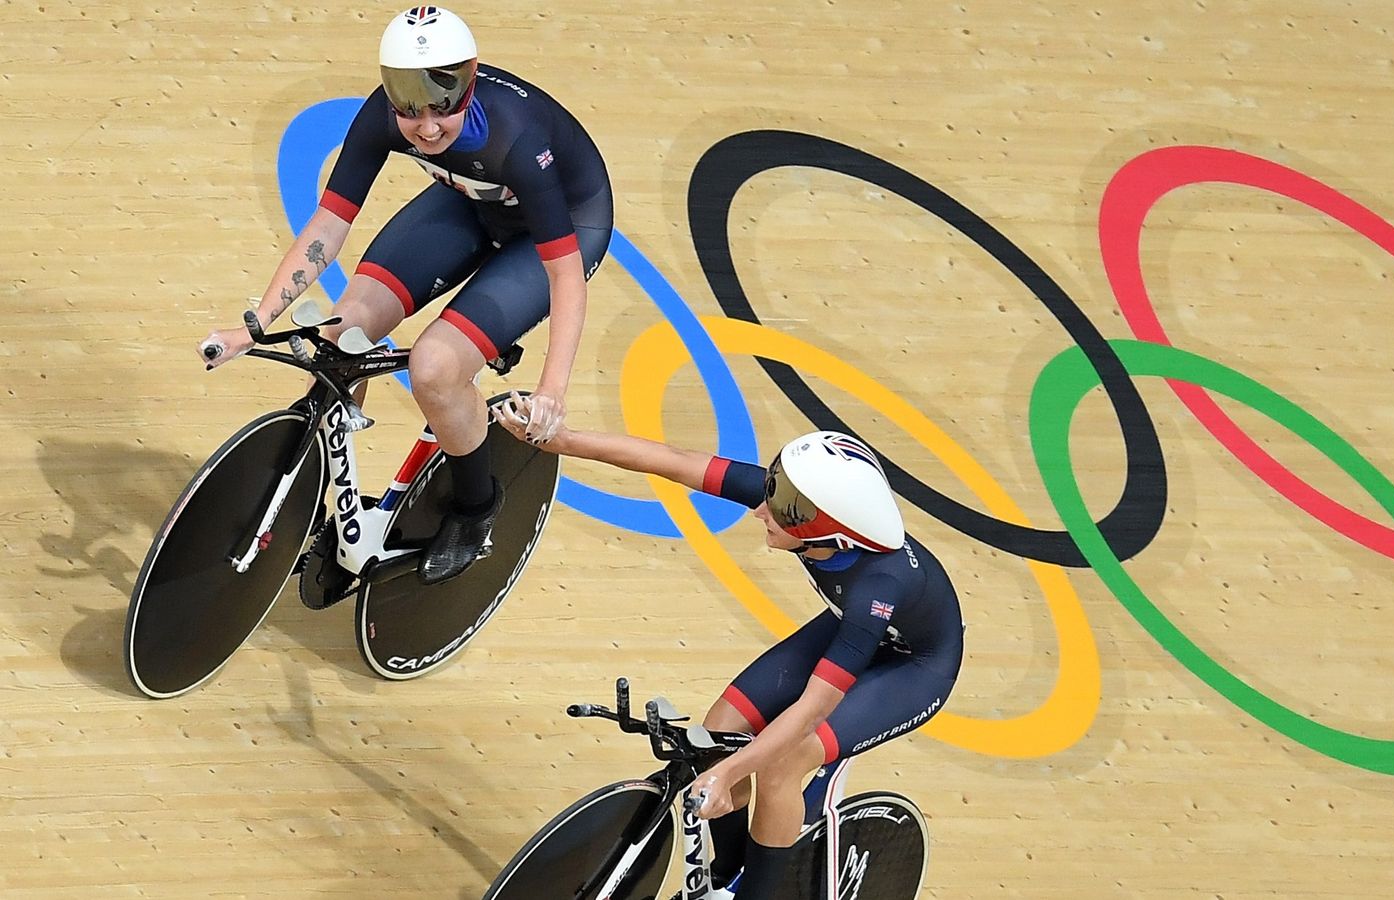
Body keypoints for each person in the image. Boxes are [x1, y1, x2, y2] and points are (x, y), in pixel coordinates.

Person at [197, 6, 613, 587]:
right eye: (410, 109)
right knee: (339, 332)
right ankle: (333, 485)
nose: (428, 127)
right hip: (472, 201)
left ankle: (475, 509)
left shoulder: (518, 138)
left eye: (443, 106)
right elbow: (327, 225)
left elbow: (565, 275)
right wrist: (256, 325)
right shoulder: (383, 115)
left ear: (468, 82)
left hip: (563, 229)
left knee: (436, 369)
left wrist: (552, 391)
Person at [493, 398, 964, 899]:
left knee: (785, 763)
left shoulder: (878, 590)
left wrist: (729, 776)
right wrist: (561, 440)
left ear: (831, 536)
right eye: (775, 491)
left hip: (915, 669)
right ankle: (730, 873)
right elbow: (671, 460)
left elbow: (812, 707)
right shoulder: (802, 512)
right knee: (716, 733)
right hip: (855, 632)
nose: (763, 507)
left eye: (783, 510)